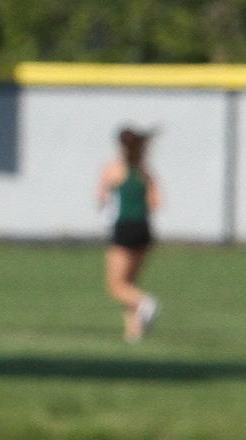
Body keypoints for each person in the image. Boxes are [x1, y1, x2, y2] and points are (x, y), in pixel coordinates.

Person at [97, 127, 161, 342]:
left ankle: (146, 302)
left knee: (116, 286)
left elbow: (101, 199)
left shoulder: (112, 169)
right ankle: (133, 334)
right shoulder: (145, 172)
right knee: (131, 283)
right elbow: (155, 202)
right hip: (144, 229)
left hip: (123, 228)